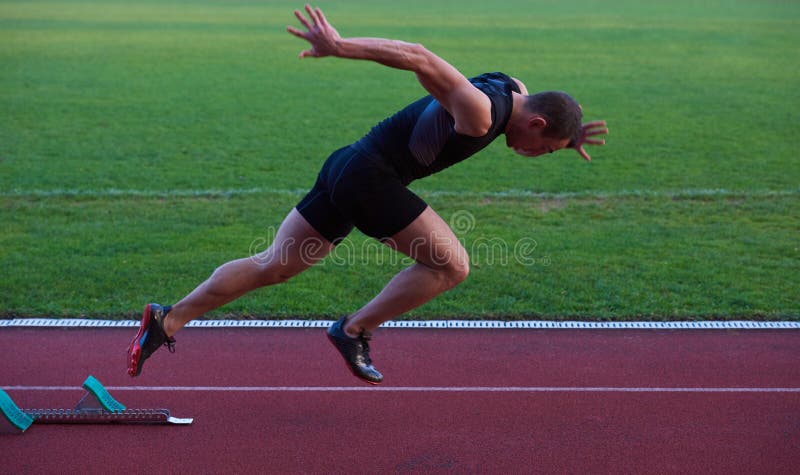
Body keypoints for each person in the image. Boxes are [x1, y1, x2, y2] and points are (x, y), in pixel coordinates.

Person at [127, 4, 608, 384]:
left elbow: (543, 114)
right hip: (371, 178)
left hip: (345, 163)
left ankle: (168, 320)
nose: (535, 154)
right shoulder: (480, 112)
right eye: (543, 148)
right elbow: (419, 55)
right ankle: (353, 329)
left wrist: (569, 134)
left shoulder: (515, 88)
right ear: (537, 123)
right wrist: (340, 47)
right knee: (452, 266)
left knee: (275, 264)